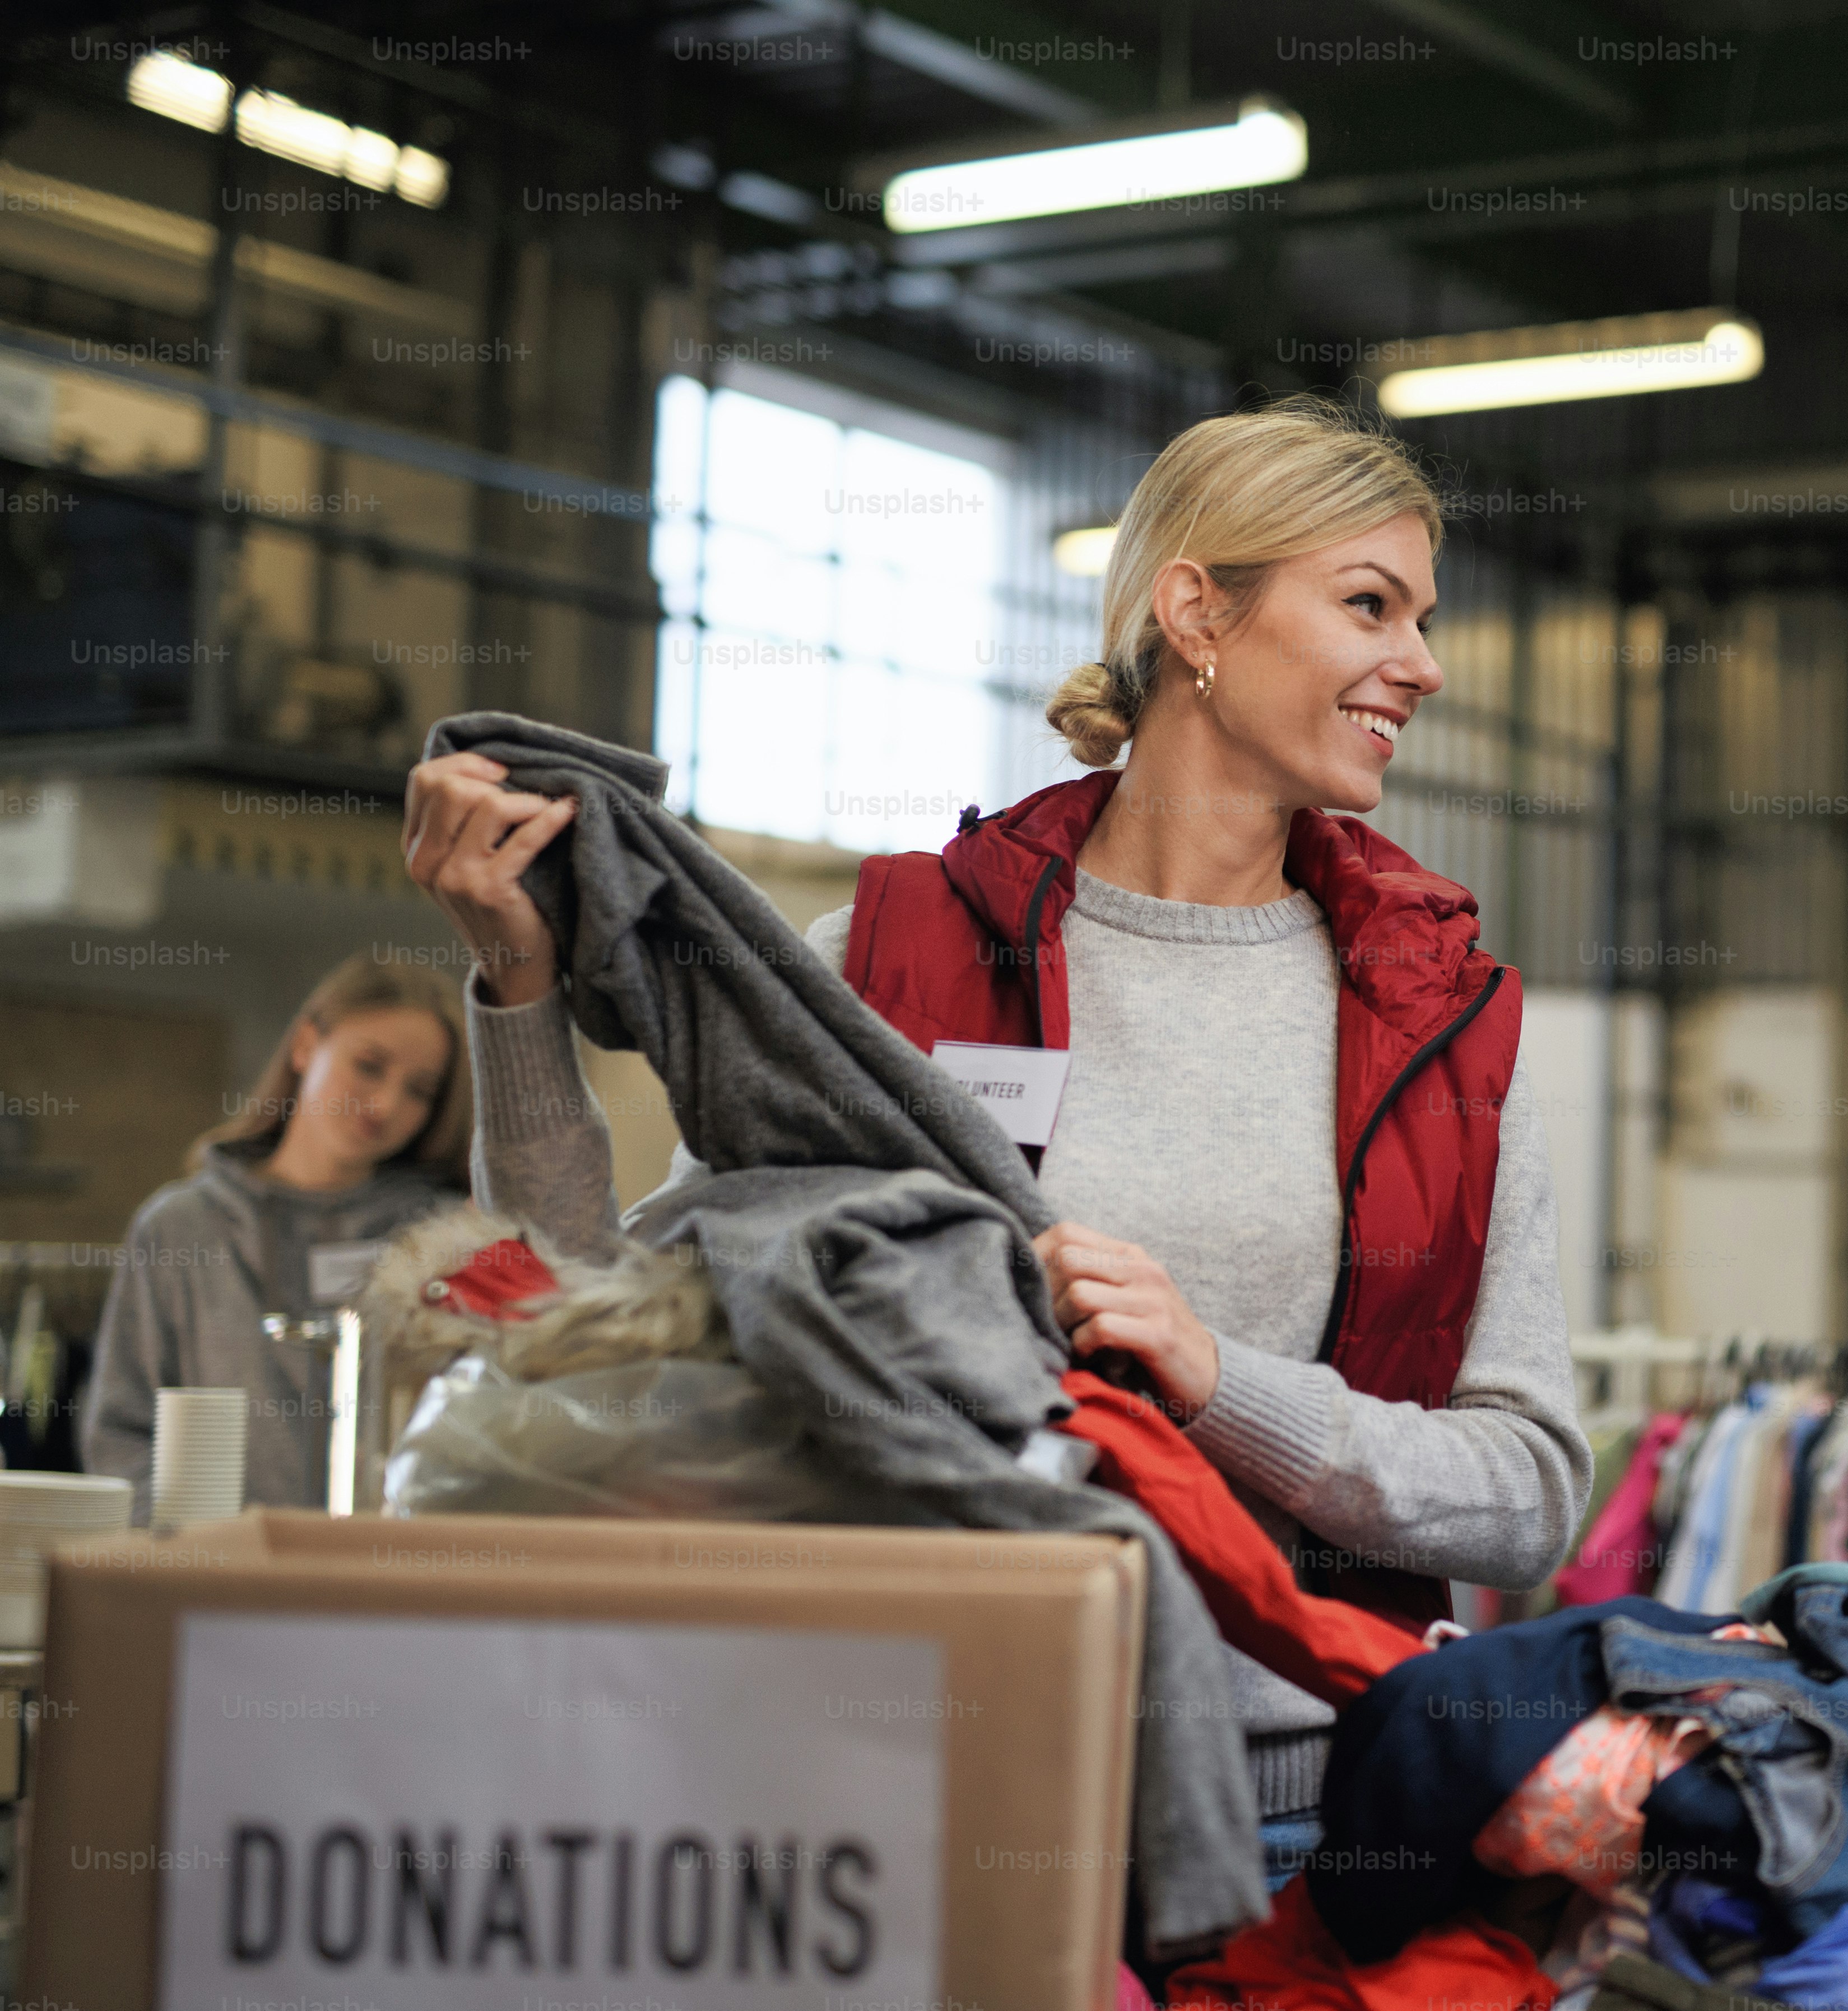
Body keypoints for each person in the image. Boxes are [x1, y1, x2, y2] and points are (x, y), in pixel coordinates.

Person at [401, 395, 1590, 1888]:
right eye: (1369, 605)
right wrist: (519, 985)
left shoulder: (1438, 1020)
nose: (1419, 664)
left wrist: (1220, 1382)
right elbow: (610, 1314)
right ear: (1195, 612)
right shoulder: (896, 952)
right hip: (908, 1778)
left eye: (1421, 617)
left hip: (1292, 1820)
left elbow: (1530, 1483)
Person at [82, 952, 471, 1518]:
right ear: (306, 1045)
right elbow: (121, 1432)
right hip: (214, 1579)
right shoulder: (181, 1227)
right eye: (369, 1065)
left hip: (385, 1578)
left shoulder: (448, 1238)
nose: (387, 1104)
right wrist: (185, 1556)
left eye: (420, 1090)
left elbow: (481, 1434)